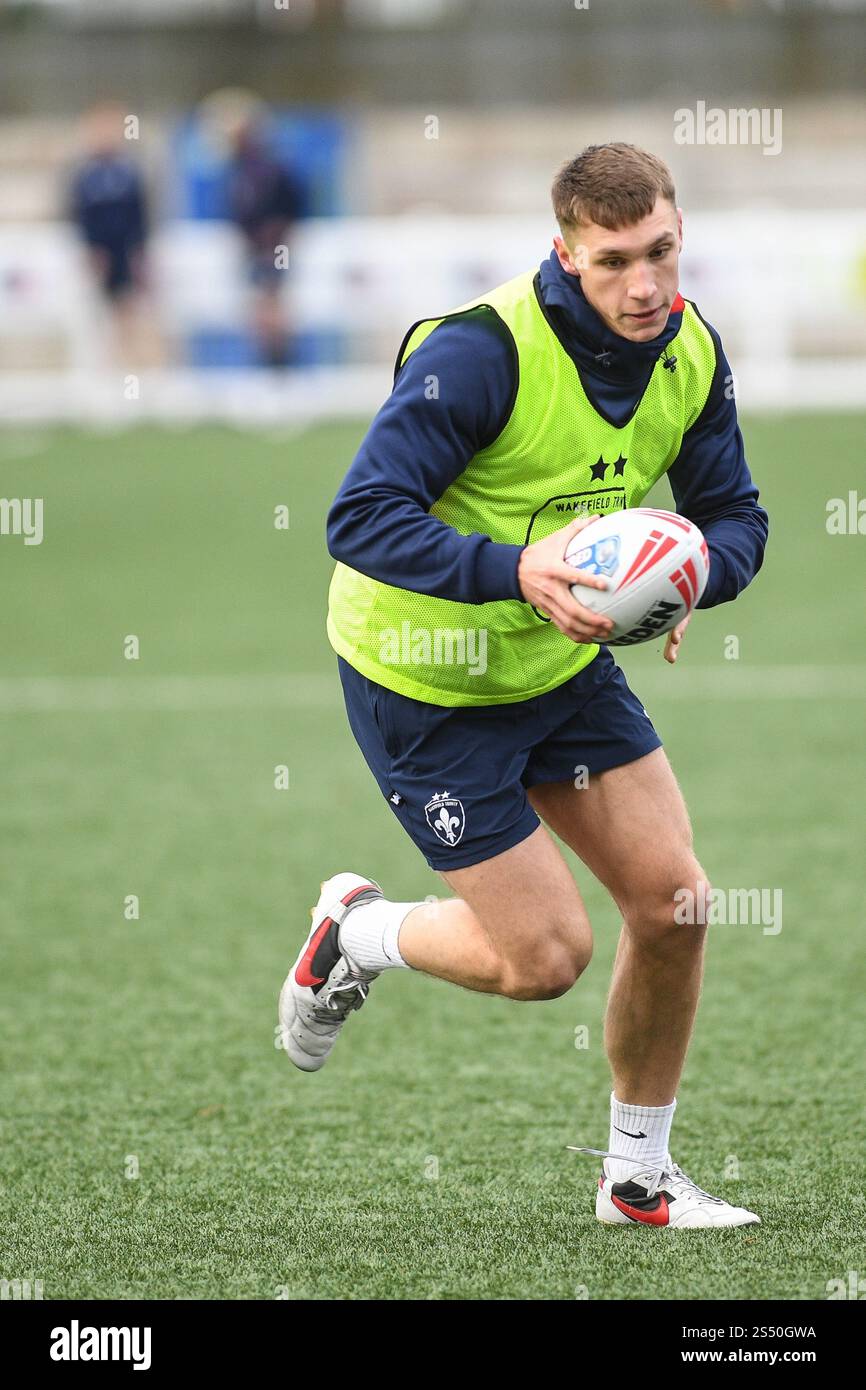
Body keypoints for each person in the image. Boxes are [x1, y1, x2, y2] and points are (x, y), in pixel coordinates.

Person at [279, 143, 769, 1229]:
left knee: (675, 902)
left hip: (558, 666)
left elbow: (736, 516)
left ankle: (635, 1181)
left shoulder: (688, 351)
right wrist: (516, 570)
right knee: (543, 959)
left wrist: (689, 574)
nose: (643, 286)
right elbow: (357, 518)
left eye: (660, 253)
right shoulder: (477, 355)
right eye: (611, 263)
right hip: (423, 676)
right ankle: (357, 931)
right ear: (564, 253)